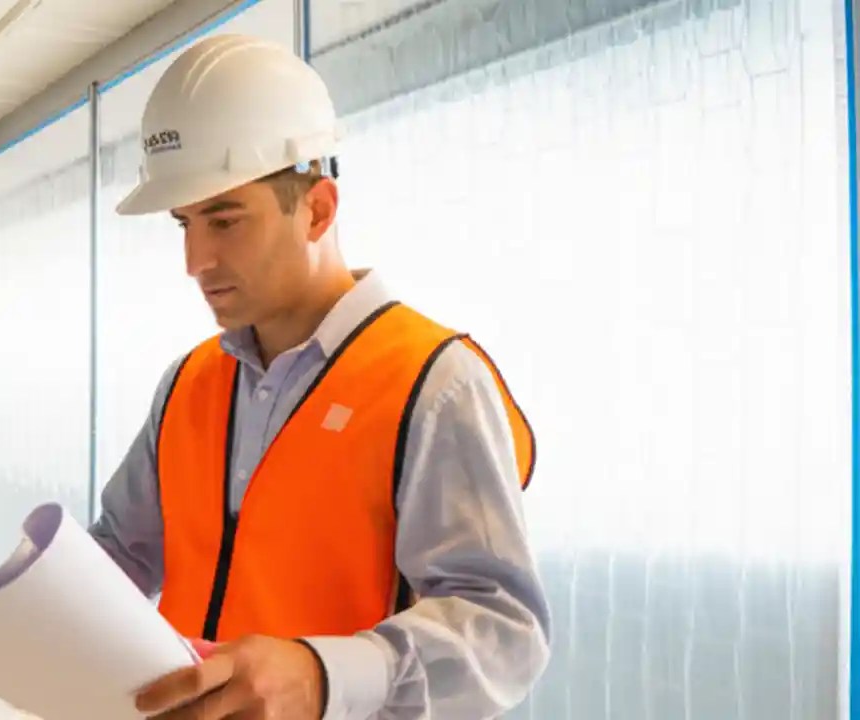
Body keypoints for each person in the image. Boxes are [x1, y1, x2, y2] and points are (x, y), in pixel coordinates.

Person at [89, 33, 550, 720]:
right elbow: (119, 557)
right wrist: (15, 612)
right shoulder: (188, 383)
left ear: (319, 209)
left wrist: (323, 675)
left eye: (224, 219)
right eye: (183, 223)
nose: (195, 259)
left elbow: (504, 632)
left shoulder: (434, 384)